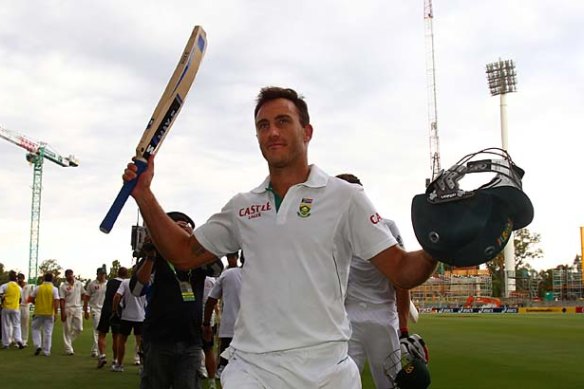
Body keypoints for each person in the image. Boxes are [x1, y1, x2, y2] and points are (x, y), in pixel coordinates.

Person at [122, 86, 437, 388]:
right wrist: (145, 195)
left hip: (326, 369)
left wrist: (439, 241)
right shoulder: (242, 206)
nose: (271, 132)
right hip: (254, 368)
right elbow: (183, 253)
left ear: (307, 132)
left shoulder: (345, 197)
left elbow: (401, 270)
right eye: (263, 125)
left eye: (283, 121)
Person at [130, 211, 223, 389]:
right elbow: (136, 290)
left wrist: (194, 241)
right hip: (158, 338)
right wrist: (151, 256)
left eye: (185, 227)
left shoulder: (197, 258)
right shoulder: (155, 256)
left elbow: (217, 269)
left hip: (190, 339)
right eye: (175, 227)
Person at [337, 173, 413, 388]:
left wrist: (404, 329)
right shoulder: (333, 229)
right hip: (348, 319)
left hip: (381, 317)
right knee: (341, 382)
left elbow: (401, 278)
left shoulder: (386, 226)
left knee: (389, 383)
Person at [203, 252, 242, 381]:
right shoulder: (257, 276)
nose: (230, 260)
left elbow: (211, 301)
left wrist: (206, 323)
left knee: (226, 365)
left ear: (238, 258)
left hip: (230, 327)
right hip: (249, 329)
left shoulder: (227, 274)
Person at [112, 275, 146, 373]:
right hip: (140, 316)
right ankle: (142, 367)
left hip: (126, 316)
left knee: (122, 340)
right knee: (141, 342)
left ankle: (119, 365)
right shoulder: (146, 282)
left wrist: (115, 310)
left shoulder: (125, 282)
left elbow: (117, 296)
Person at [96, 267, 127, 369]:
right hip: (118, 310)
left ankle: (102, 356)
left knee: (102, 333)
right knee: (116, 336)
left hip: (106, 308)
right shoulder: (126, 283)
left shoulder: (110, 282)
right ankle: (115, 359)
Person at [30, 272, 60, 356]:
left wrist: (36, 303)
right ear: (52, 279)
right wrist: (56, 313)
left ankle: (37, 345)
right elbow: (56, 300)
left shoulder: (38, 288)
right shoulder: (54, 289)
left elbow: (31, 298)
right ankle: (46, 351)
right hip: (49, 313)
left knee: (35, 328)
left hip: (38, 312)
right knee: (48, 332)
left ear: (43, 278)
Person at [59, 269, 85, 355]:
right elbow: (62, 300)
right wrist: (62, 311)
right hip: (68, 308)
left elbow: (83, 294)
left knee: (79, 329)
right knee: (67, 329)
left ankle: (69, 340)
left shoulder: (79, 283)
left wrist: (82, 303)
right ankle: (68, 349)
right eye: (68, 275)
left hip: (78, 308)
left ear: (73, 274)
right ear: (66, 276)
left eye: (71, 274)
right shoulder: (63, 286)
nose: (70, 276)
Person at [84, 267, 108, 357]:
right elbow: (86, 297)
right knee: (97, 329)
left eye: (104, 274)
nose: (102, 276)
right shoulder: (92, 284)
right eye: (101, 274)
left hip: (105, 309)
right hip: (95, 309)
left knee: (102, 331)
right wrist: (86, 310)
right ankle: (98, 351)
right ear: (97, 274)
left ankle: (94, 349)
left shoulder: (108, 284)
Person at [0, 270, 24, 349]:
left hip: (6, 308)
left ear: (9, 277)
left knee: (6, 325)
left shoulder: (4, 286)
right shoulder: (19, 288)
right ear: (16, 278)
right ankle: (19, 340)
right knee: (17, 325)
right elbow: (20, 299)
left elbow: (1, 296)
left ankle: (6, 344)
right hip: (16, 308)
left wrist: (2, 302)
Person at [17, 273, 34, 347]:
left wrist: (28, 302)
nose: (19, 279)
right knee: (17, 324)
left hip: (25, 306)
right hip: (16, 306)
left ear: (23, 278)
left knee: (25, 324)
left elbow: (31, 296)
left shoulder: (29, 286)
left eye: (21, 278)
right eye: (18, 278)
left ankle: (24, 340)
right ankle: (17, 340)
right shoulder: (16, 286)